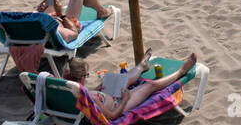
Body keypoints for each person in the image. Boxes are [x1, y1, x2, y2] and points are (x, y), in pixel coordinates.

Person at [66, 51, 197, 119]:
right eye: (86, 76)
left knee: (123, 79)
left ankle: (141, 66)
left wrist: (95, 90)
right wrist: (125, 100)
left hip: (108, 97)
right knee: (149, 86)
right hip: (118, 105)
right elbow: (112, 116)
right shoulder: (89, 98)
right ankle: (181, 71)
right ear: (81, 78)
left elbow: (88, 100)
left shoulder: (68, 91)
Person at [37, 0, 116, 42]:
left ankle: (101, 10)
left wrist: (40, 11)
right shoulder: (58, 32)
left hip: (46, 19)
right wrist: (60, 14)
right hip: (66, 25)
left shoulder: (27, 21)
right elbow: (73, 33)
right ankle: (102, 11)